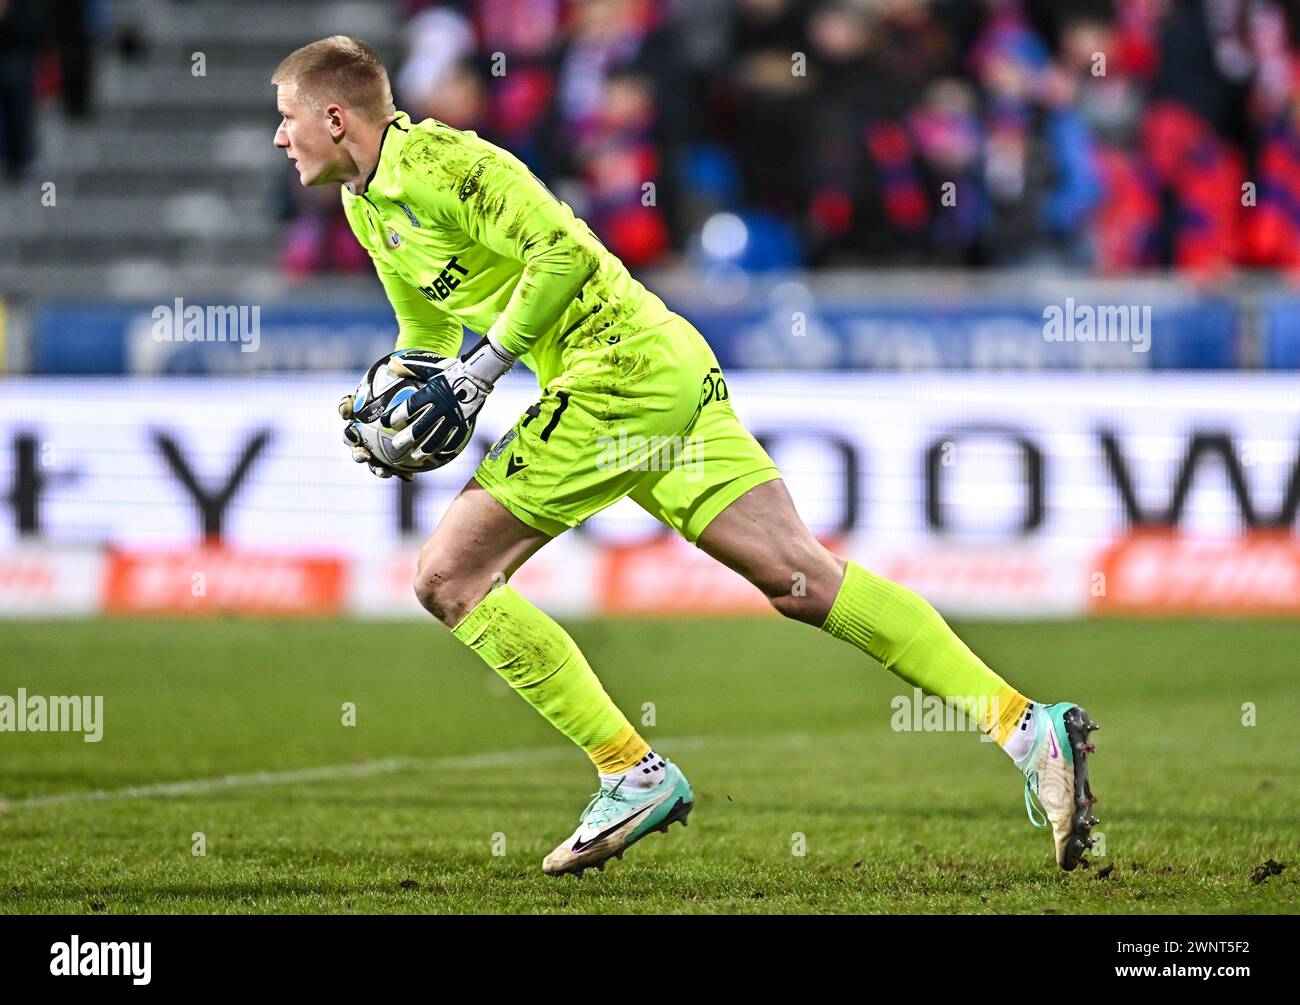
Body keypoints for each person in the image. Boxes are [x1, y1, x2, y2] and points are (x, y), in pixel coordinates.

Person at [271, 35, 1099, 877]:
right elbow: (428, 331)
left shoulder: (446, 164)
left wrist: (484, 371)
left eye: (287, 118)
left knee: (449, 579)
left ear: (335, 117)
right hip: (659, 368)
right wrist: (404, 389)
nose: (279, 138)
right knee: (802, 580)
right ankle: (1028, 727)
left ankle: (629, 769)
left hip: (615, 370)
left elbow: (560, 251)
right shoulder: (366, 204)